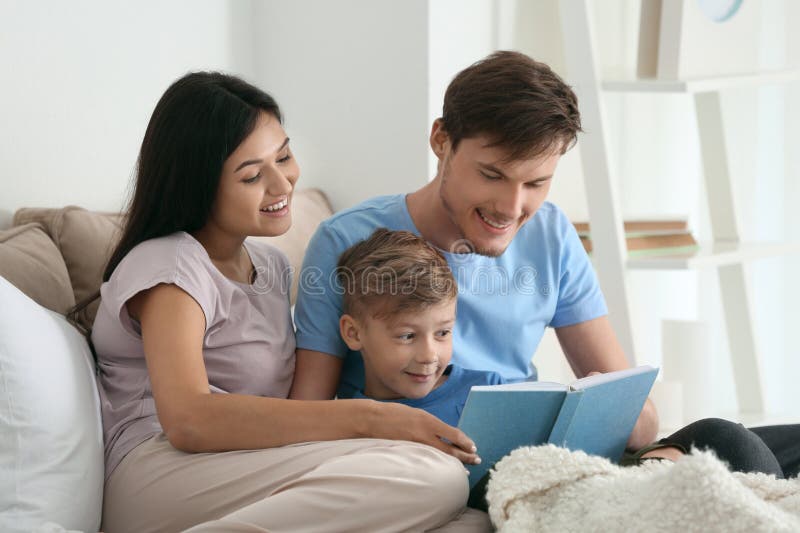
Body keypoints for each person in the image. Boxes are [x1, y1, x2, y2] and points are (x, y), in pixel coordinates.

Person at [291, 51, 800, 479]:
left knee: (762, 442)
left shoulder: (551, 234)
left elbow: (634, 406)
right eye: (493, 175)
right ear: (441, 140)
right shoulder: (347, 242)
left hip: (555, 454)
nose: (512, 210)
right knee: (729, 449)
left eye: (536, 184)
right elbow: (304, 419)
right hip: (446, 466)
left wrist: (632, 431)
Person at [82, 72, 492, 532]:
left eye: (284, 156)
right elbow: (189, 420)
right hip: (161, 474)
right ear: (199, 184)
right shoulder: (171, 267)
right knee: (436, 480)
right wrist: (370, 418)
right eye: (253, 175)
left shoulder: (270, 266)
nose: (282, 185)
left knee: (471, 523)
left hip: (251, 465)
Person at [333, 228, 505, 427]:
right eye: (407, 336)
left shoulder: (489, 392)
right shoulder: (351, 422)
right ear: (353, 333)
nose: (429, 356)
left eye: (442, 333)